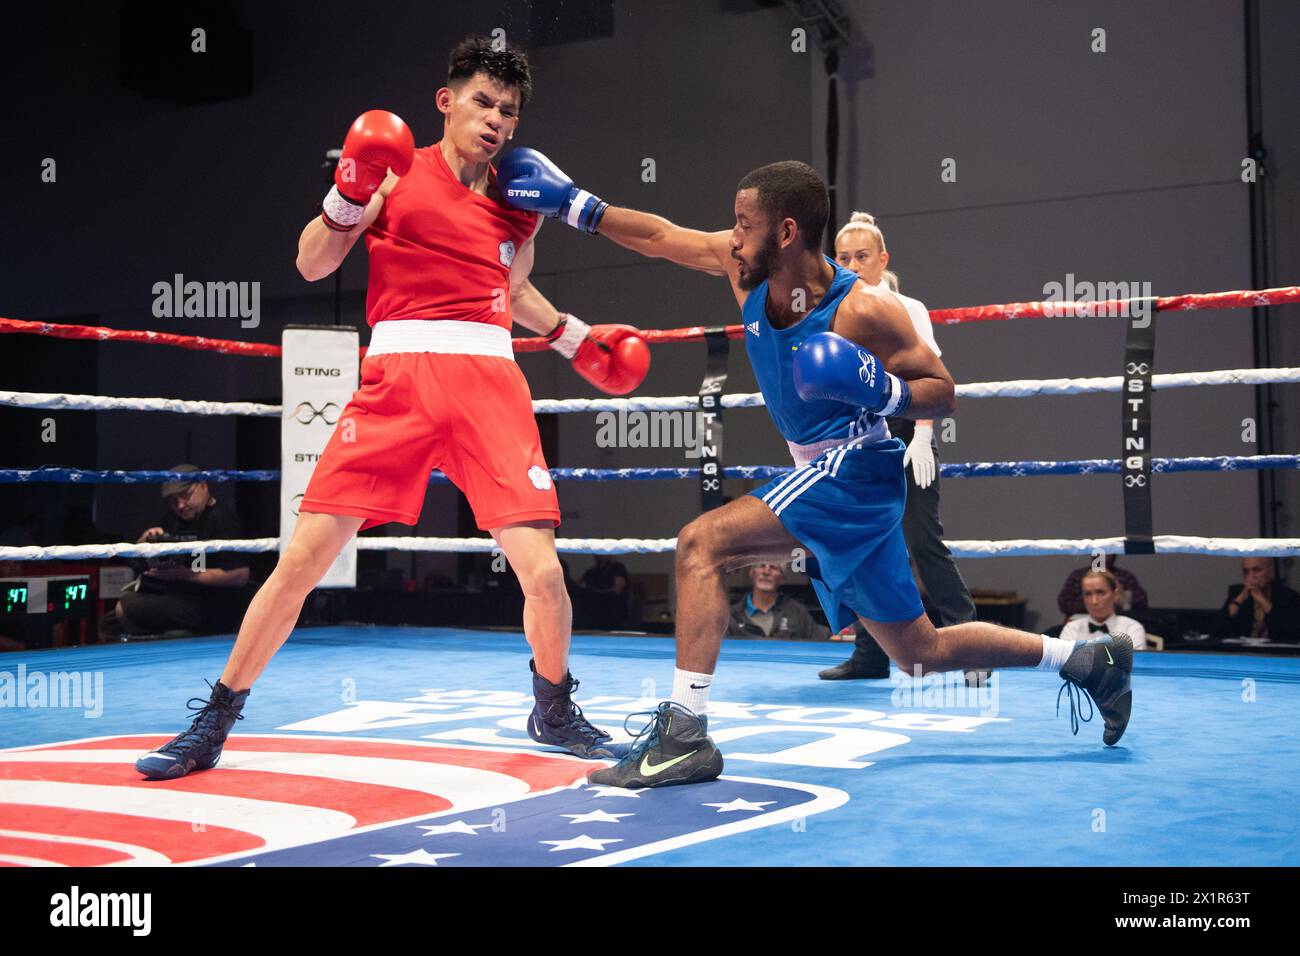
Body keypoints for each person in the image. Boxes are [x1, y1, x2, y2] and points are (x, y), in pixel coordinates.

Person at [500, 153, 1134, 788]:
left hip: (857, 465)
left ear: (786, 232)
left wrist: (882, 391)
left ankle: (685, 734)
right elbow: (661, 236)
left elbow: (941, 390)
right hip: (831, 475)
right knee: (918, 652)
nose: (732, 236)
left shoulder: (861, 311)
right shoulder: (743, 269)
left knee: (701, 544)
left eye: (744, 223)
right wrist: (576, 207)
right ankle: (1086, 657)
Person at [135, 37, 650, 781]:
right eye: (482, 102)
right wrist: (347, 193)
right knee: (303, 558)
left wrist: (575, 341)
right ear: (447, 101)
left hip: (489, 380)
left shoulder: (521, 200)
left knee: (542, 573)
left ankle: (554, 705)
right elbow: (313, 260)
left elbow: (517, 291)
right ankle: (213, 723)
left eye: (508, 110)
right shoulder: (394, 172)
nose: (496, 119)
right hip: (398, 376)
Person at [818, 212, 981, 682]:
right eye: (843, 257)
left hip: (908, 432)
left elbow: (929, 377)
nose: (851, 264)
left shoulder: (906, 308)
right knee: (868, 543)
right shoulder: (834, 311)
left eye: (861, 256)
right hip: (861, 436)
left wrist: (925, 436)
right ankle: (870, 657)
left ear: (882, 259)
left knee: (922, 540)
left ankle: (970, 647)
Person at [101, 465, 252, 639]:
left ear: (203, 485)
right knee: (110, 621)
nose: (180, 505)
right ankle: (169, 637)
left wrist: (187, 575)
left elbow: (240, 575)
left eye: (186, 496)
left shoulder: (223, 519)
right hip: (183, 597)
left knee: (127, 607)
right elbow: (141, 564)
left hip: (216, 603)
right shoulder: (174, 520)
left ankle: (174, 638)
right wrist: (144, 543)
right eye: (174, 500)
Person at [728, 562, 831, 641]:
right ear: (751, 573)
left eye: (773, 567)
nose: (766, 572)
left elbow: (820, 643)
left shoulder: (797, 612)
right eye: (761, 566)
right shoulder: (730, 615)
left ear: (782, 578)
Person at [1211, 557, 1300, 642]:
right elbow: (1214, 630)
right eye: (1246, 572)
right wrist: (1240, 599)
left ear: (1271, 573)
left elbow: (1292, 631)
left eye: (1257, 570)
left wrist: (1261, 600)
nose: (1251, 576)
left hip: (1275, 654)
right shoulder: (1236, 593)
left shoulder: (1288, 597)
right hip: (1244, 653)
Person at [1059, 569, 1147, 650]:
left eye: (1100, 593)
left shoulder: (1132, 628)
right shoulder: (1072, 629)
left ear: (1115, 595)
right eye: (1088, 594)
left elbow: (1134, 665)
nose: (1094, 601)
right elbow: (1063, 664)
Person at [1058, 554, 1147, 618]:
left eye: (1106, 552)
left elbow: (1141, 601)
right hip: (1081, 619)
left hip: (1118, 620)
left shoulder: (1125, 576)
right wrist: (1094, 606)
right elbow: (1063, 602)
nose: (1101, 556)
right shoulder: (1078, 575)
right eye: (1088, 594)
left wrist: (1123, 596)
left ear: (1114, 555)